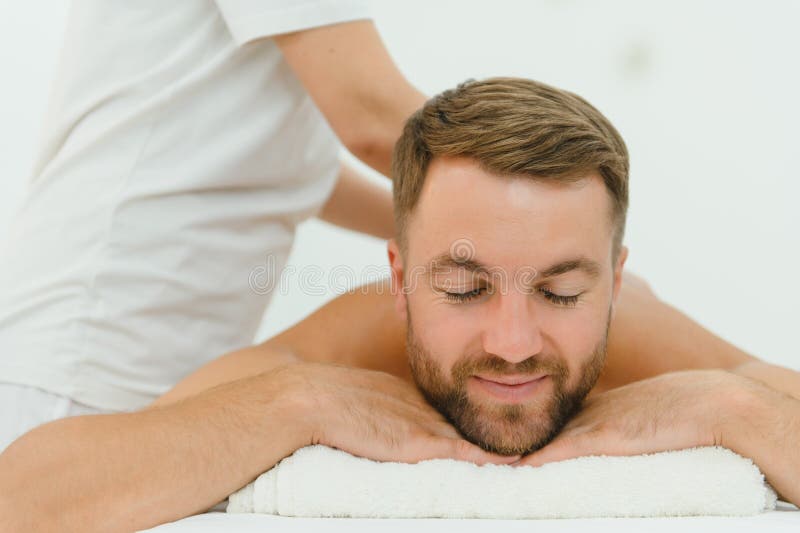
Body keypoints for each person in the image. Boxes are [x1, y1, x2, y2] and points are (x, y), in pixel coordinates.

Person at [2, 77, 799, 532]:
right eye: (462, 287)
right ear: (399, 280)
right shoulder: (347, 347)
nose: (515, 341)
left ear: (617, 283)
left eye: (561, 290)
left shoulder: (640, 334)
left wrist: (737, 407)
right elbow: (23, 494)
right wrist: (297, 401)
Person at [0, 0, 424, 448]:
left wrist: (452, 237)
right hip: (85, 367)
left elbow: (299, 173)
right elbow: (371, 115)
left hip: (142, 375)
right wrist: (499, 196)